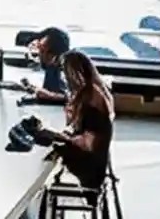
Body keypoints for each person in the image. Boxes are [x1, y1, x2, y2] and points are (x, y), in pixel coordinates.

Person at [37, 51, 114, 189]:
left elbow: (87, 143)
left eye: (66, 73)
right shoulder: (93, 91)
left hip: (90, 167)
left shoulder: (91, 99)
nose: (65, 78)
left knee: (44, 148)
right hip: (97, 161)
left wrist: (59, 136)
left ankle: (36, 190)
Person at [18, 26, 70, 104]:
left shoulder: (70, 69)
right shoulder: (49, 66)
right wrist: (31, 88)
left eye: (42, 50)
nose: (39, 53)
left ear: (53, 54)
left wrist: (51, 96)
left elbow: (82, 97)